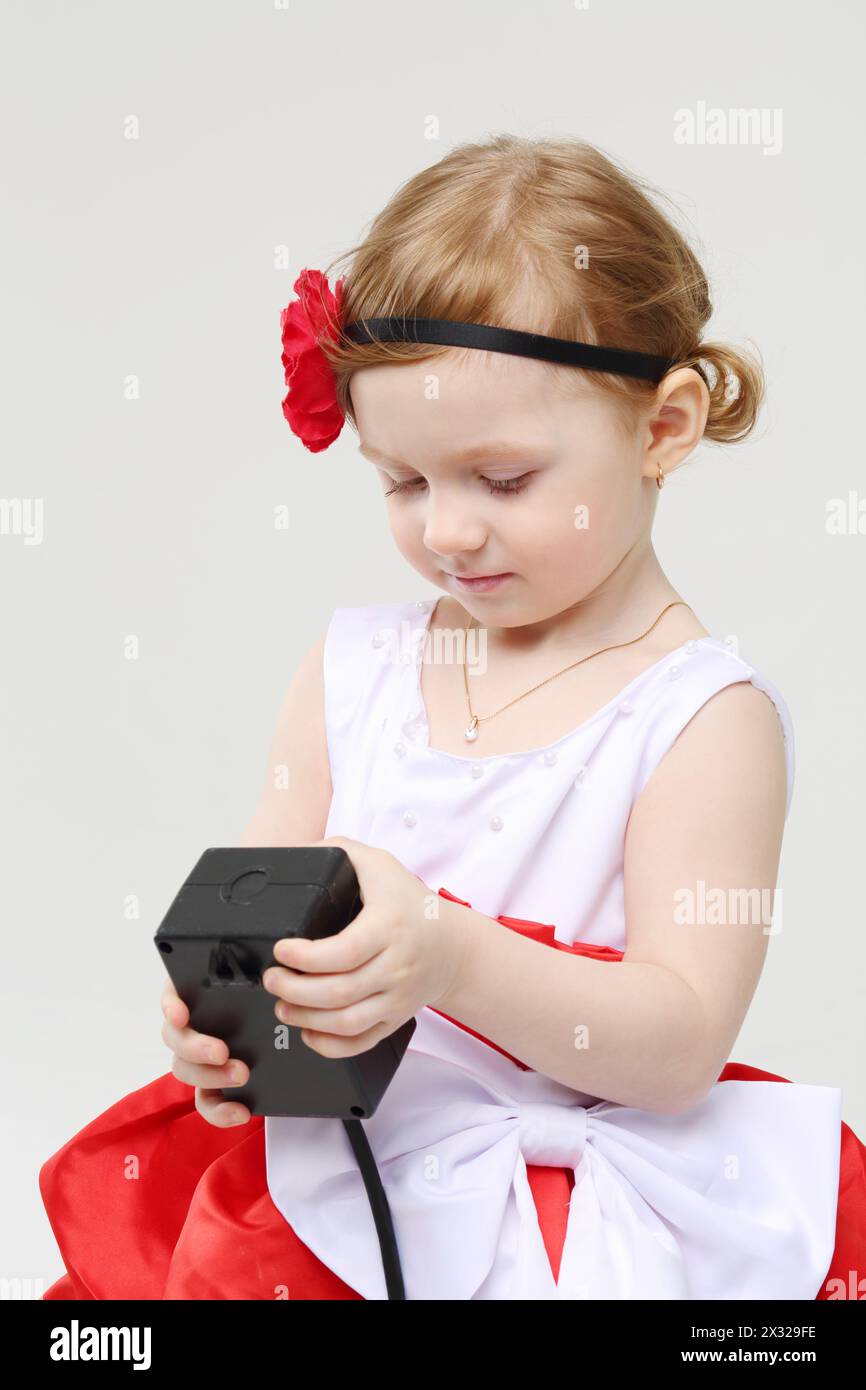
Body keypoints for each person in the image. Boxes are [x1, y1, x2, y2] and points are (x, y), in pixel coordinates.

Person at [40, 134, 866, 1300]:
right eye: (403, 482)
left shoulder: (697, 717)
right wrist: (225, 1030)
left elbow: (679, 1041)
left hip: (555, 1223)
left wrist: (450, 956)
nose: (447, 532)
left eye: (503, 478)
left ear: (661, 427)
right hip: (337, 1186)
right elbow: (263, 905)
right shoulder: (351, 668)